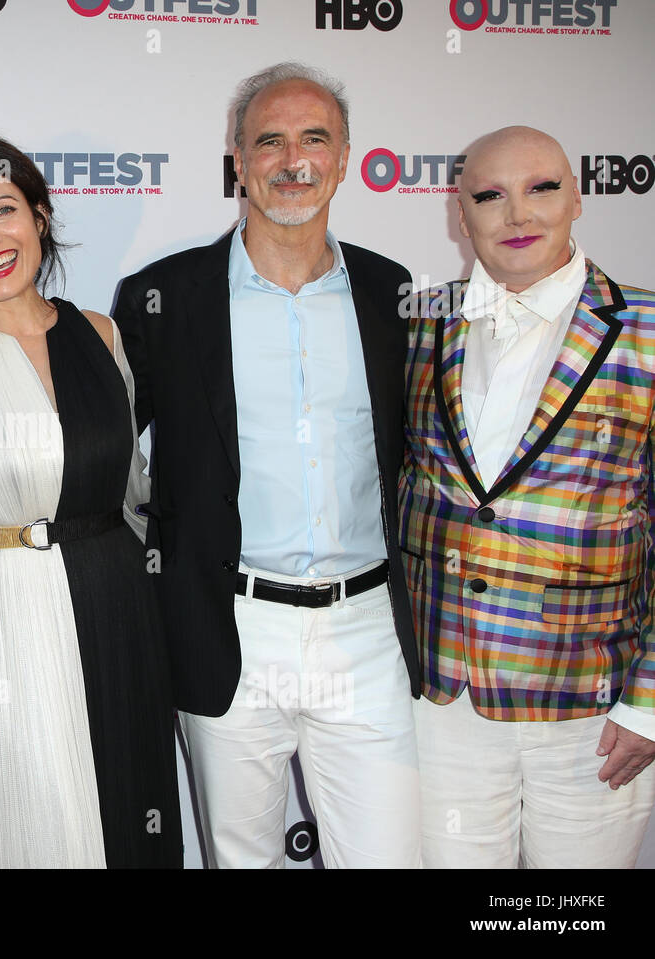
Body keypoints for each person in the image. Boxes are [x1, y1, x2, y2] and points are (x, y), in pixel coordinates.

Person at [111, 62, 422, 868]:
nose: (294, 160)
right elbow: (95, 442)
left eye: (314, 138)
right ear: (238, 158)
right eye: (270, 141)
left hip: (367, 633)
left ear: (347, 155)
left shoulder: (393, 295)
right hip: (228, 627)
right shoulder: (162, 298)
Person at [0, 134, 182, 868]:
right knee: (24, 823)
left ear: (41, 215)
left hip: (118, 608)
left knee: (128, 812)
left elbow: (135, 493)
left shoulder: (102, 334)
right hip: (2, 614)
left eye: (4, 210)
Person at [400, 125, 655, 868]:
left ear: (577, 198)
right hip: (442, 697)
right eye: (490, 195)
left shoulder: (646, 330)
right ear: (460, 213)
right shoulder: (417, 320)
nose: (517, 215)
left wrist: (650, 699)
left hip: (592, 706)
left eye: (541, 188)